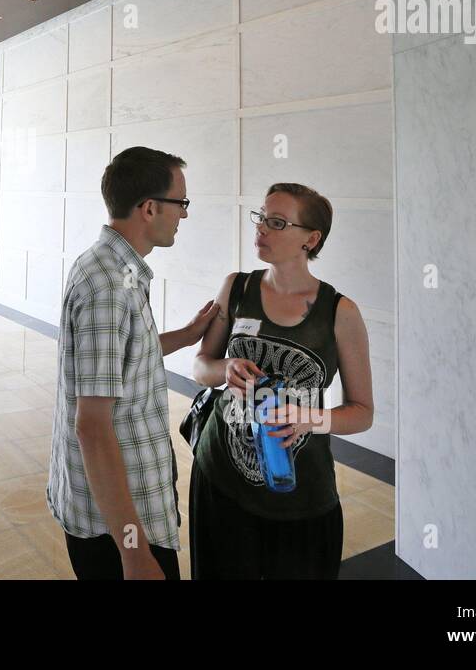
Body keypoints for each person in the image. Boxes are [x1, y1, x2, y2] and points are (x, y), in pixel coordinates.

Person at [48, 146, 221, 580]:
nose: (184, 214)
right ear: (149, 208)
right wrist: (133, 552)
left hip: (122, 513)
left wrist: (185, 335)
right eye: (181, 203)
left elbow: (123, 359)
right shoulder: (109, 286)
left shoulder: (116, 269)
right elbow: (92, 426)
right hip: (118, 530)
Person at [189, 182, 374, 579]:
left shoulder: (340, 312)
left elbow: (362, 413)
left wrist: (310, 419)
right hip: (220, 478)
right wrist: (225, 370)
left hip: (299, 493)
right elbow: (201, 365)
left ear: (311, 238)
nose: (261, 229)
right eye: (261, 217)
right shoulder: (237, 287)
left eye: (276, 222)